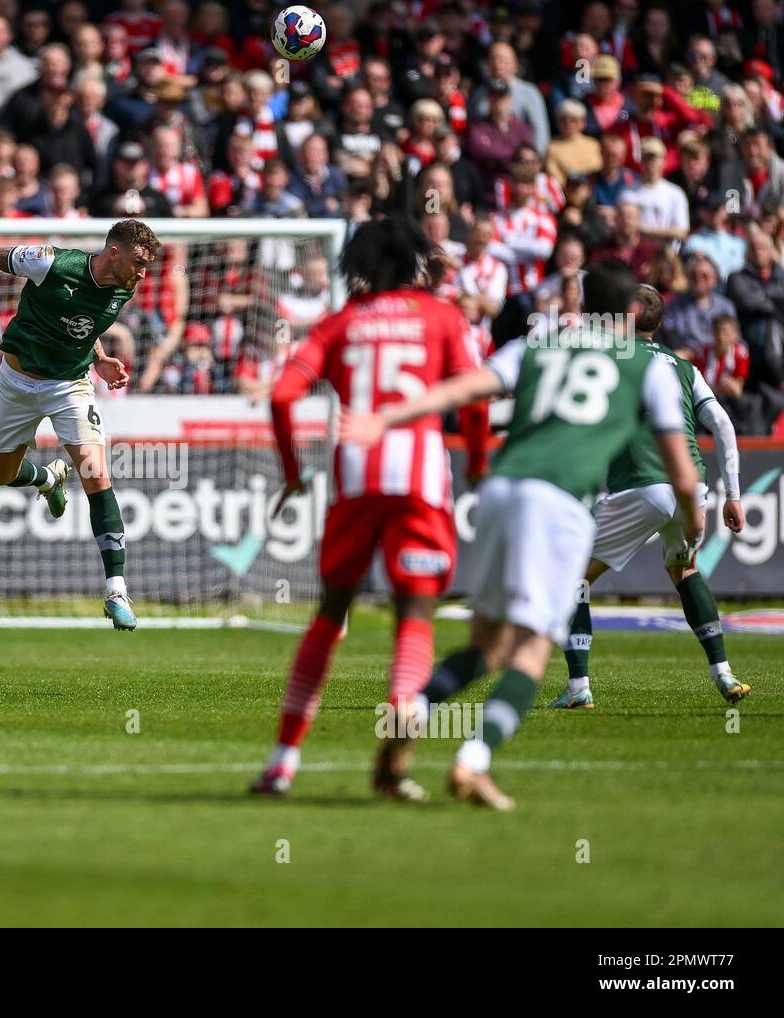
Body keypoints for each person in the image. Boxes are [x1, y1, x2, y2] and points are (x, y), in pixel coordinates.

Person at [341, 261, 701, 810]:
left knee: (485, 644)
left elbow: (466, 387)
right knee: (530, 648)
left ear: (581, 303)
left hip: (499, 492)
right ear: (631, 312)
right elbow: (682, 472)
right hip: (558, 502)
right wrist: (694, 521)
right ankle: (473, 761)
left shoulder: (539, 345)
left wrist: (384, 420)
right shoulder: (647, 367)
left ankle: (415, 709)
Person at [250, 216, 488, 800]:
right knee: (415, 617)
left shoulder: (340, 323)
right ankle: (396, 746)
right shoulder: (442, 318)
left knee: (331, 614)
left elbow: (282, 396)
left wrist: (291, 474)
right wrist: (479, 462)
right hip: (422, 478)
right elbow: (476, 395)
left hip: (356, 473)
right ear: (414, 263)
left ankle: (282, 762)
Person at [0, 219, 160, 630]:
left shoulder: (125, 287)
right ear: (114, 252)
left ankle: (116, 589)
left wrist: (101, 358)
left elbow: (80, 324)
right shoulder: (52, 262)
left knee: (96, 473)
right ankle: (46, 478)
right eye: (139, 262)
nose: (143, 273)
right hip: (16, 382)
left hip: (70, 386)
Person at [551, 285, 748, 709]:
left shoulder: (608, 360)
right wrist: (733, 494)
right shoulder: (683, 366)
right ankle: (724, 673)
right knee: (685, 570)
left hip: (645, 485)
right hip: (692, 487)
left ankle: (578, 687)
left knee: (571, 578)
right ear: (659, 323)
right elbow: (724, 425)